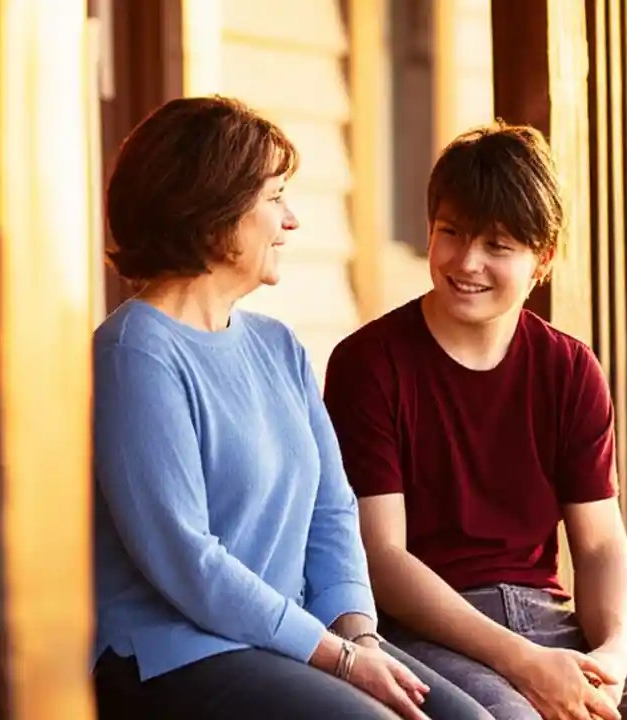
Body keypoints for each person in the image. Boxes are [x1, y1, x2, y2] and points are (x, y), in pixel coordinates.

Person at [91, 95, 492, 720]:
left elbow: (332, 511)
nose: (291, 220)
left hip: (296, 640)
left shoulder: (276, 346)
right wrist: (337, 658)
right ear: (215, 209)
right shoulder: (135, 354)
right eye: (275, 196)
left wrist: (359, 635)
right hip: (179, 652)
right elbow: (188, 561)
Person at [323, 123, 627, 720]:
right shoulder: (368, 365)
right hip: (433, 630)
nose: (467, 262)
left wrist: (611, 652)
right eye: (450, 233)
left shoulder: (569, 369)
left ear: (543, 259)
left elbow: (602, 543)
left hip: (553, 620)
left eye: (499, 246)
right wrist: (523, 662)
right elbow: (382, 557)